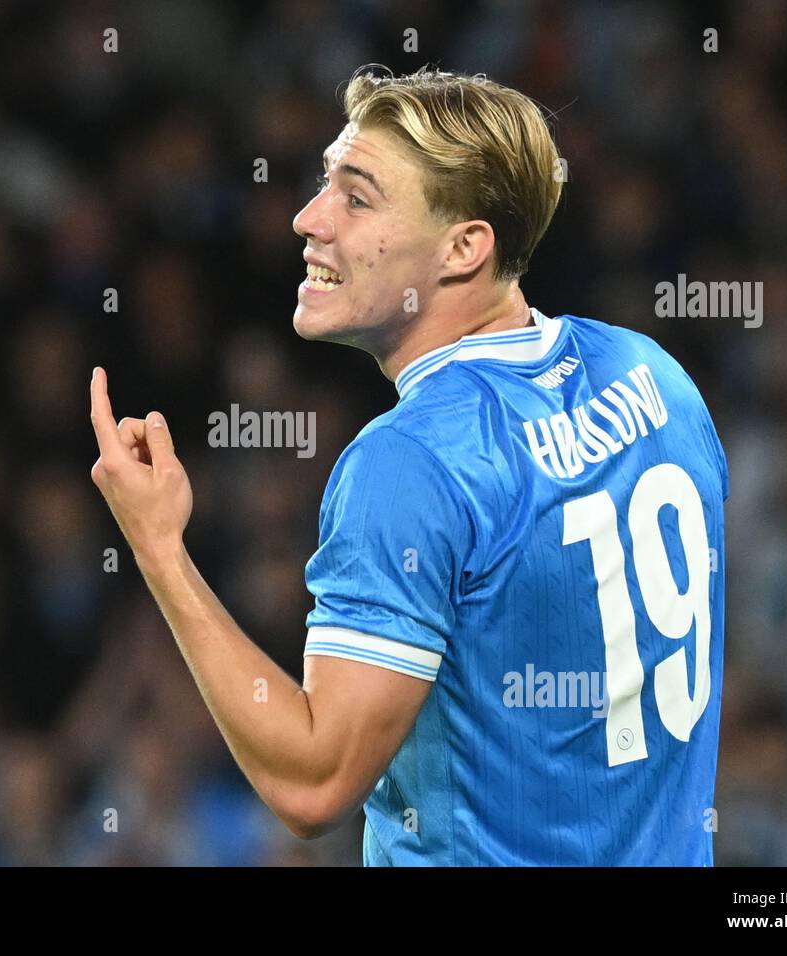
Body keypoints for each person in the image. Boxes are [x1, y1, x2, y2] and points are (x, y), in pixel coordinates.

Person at [88, 67, 728, 865]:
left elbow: (314, 784)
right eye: (325, 184)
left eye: (357, 199)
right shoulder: (655, 376)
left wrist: (157, 548)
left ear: (464, 247)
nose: (308, 219)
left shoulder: (411, 462)